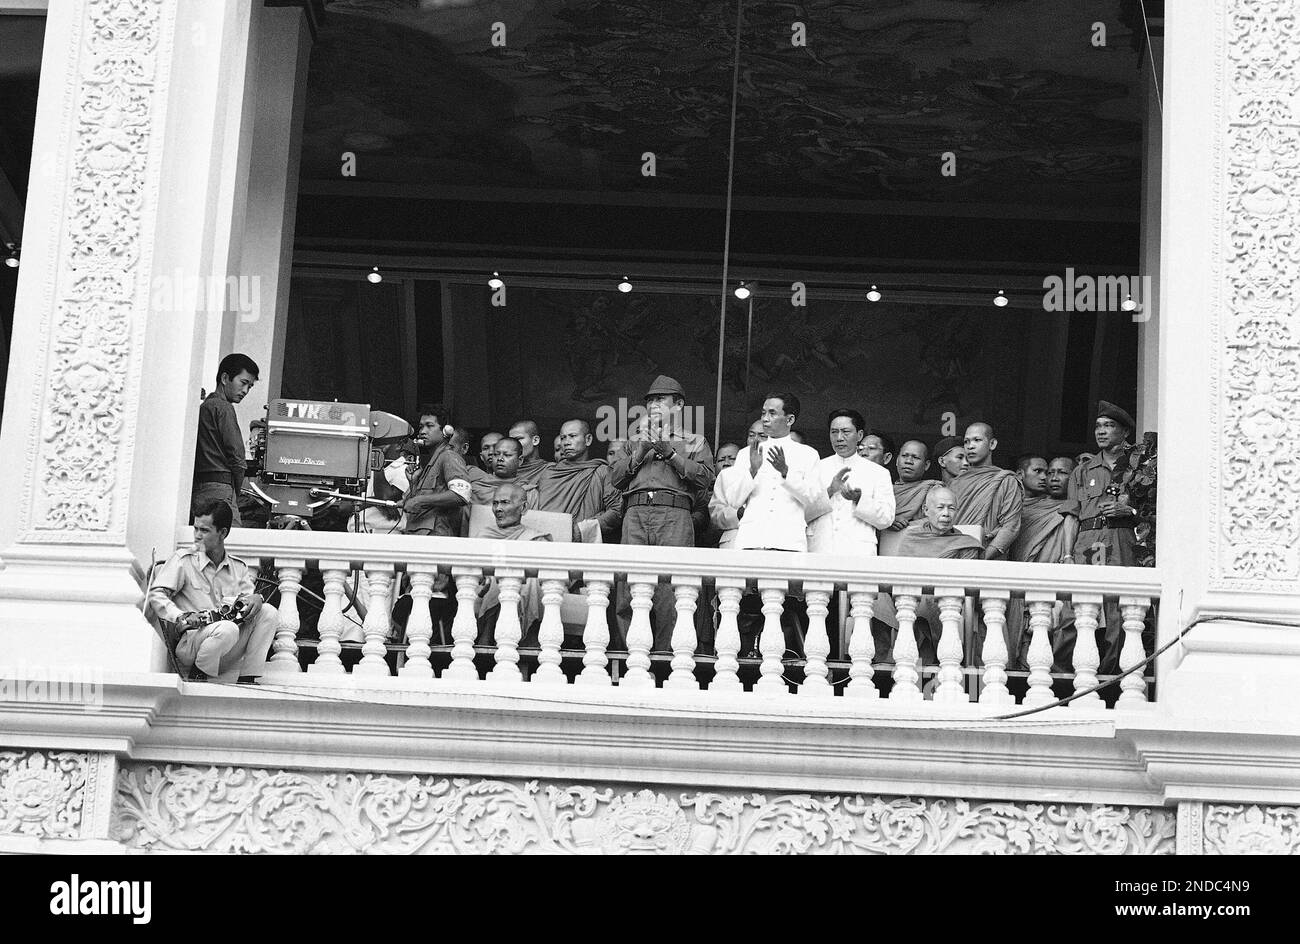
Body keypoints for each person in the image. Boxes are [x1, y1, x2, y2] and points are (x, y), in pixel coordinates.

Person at [609, 375, 715, 649]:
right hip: (636, 513)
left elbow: (705, 479)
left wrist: (671, 454)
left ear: (678, 405)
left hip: (674, 514)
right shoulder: (633, 441)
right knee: (629, 586)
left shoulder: (695, 440)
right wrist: (640, 451)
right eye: (650, 401)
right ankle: (632, 655)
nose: (654, 405)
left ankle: (667, 659)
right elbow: (616, 479)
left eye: (660, 399)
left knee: (673, 590)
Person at [149, 499, 278, 682]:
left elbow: (247, 606)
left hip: (226, 647)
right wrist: (180, 616)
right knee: (227, 629)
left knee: (268, 612)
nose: (197, 536)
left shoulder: (238, 567)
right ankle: (198, 673)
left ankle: (247, 677)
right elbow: (156, 595)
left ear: (222, 533)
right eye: (196, 529)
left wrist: (256, 599)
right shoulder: (183, 560)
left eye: (205, 530)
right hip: (193, 644)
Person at [1069, 401, 1143, 674]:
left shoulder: (1139, 467)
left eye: (1109, 426)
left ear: (1124, 432)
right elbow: (1071, 515)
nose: (1101, 431)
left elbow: (1156, 512)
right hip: (1090, 541)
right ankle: (1074, 673)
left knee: (1118, 609)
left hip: (1122, 538)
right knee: (1082, 607)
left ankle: (1113, 674)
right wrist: (1066, 554)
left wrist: (1130, 510)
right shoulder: (1083, 470)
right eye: (1098, 426)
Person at [1007, 454, 1081, 670]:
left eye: (1062, 472)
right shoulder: (1025, 508)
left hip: (1057, 587)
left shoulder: (1077, 510)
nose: (1054, 477)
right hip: (1023, 588)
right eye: (1050, 473)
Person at [808, 408, 895, 556]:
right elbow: (801, 514)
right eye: (834, 432)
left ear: (859, 435)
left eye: (846, 432)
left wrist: (859, 500)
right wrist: (829, 491)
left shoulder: (878, 473)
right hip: (820, 549)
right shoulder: (816, 467)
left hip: (858, 551)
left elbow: (886, 519)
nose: (839, 438)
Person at [474, 483, 552, 645]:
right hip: (488, 586)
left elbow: (546, 572)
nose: (498, 509)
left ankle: (530, 639)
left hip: (524, 587)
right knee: (498, 578)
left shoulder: (536, 538)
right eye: (495, 503)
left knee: (530, 581)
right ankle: (487, 636)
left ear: (523, 508)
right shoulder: (484, 536)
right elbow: (474, 570)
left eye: (505, 502)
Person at [193, 353, 258, 526]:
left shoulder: (204, 407)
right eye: (243, 383)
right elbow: (237, 456)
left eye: (250, 387)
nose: (245, 391)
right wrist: (236, 491)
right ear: (225, 378)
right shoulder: (224, 408)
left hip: (199, 488)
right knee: (231, 542)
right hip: (221, 489)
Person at [536, 418, 622, 542]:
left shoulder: (602, 471)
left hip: (585, 544)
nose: (566, 442)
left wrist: (582, 530)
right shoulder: (549, 474)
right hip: (548, 542)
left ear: (588, 440)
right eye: (563, 437)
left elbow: (616, 511)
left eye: (572, 436)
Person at [395, 404, 471, 536]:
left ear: (446, 431)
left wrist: (420, 500)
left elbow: (462, 494)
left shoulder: (449, 456)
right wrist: (414, 483)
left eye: (429, 426)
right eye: (421, 427)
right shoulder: (432, 463)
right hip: (419, 538)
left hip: (437, 540)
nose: (422, 431)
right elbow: (415, 507)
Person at [950, 422, 1022, 560]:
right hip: (954, 557)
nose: (970, 446)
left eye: (977, 440)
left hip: (989, 560)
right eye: (966, 442)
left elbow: (1010, 526)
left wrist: (983, 558)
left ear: (992, 444)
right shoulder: (956, 482)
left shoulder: (1006, 480)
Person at [469, 436, 540, 507]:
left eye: (507, 455)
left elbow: (533, 517)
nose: (500, 459)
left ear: (520, 460)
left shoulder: (528, 492)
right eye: (496, 454)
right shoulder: (476, 488)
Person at [891, 439, 938, 531]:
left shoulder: (933, 489)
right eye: (904, 456)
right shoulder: (884, 491)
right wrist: (888, 520)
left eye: (915, 457)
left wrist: (906, 525)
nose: (908, 461)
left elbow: (938, 519)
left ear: (926, 465)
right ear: (897, 461)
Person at [508, 419, 552, 485]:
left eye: (518, 439)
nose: (514, 444)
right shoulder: (507, 470)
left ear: (535, 440)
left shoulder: (550, 469)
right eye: (511, 441)